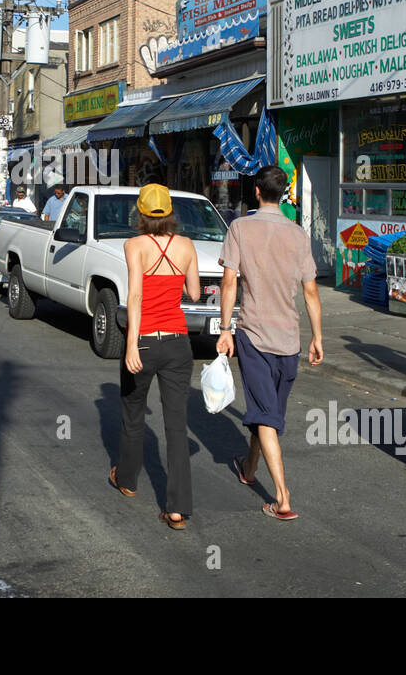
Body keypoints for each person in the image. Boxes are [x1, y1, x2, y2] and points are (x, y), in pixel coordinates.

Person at [216, 165, 322, 522]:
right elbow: (310, 290)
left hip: (255, 335)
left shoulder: (240, 228)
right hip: (289, 340)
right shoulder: (298, 235)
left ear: (257, 193)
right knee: (268, 413)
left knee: (266, 416)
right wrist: (317, 337)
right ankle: (249, 467)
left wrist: (225, 328)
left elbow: (229, 282)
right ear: (282, 194)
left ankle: (282, 497)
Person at [111, 184, 200, 530]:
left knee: (133, 412)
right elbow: (192, 292)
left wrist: (131, 345)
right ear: (171, 212)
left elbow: (134, 296)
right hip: (178, 343)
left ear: (142, 213)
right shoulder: (187, 246)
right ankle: (177, 509)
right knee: (177, 426)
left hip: (145, 341)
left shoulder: (133, 246)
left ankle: (128, 480)